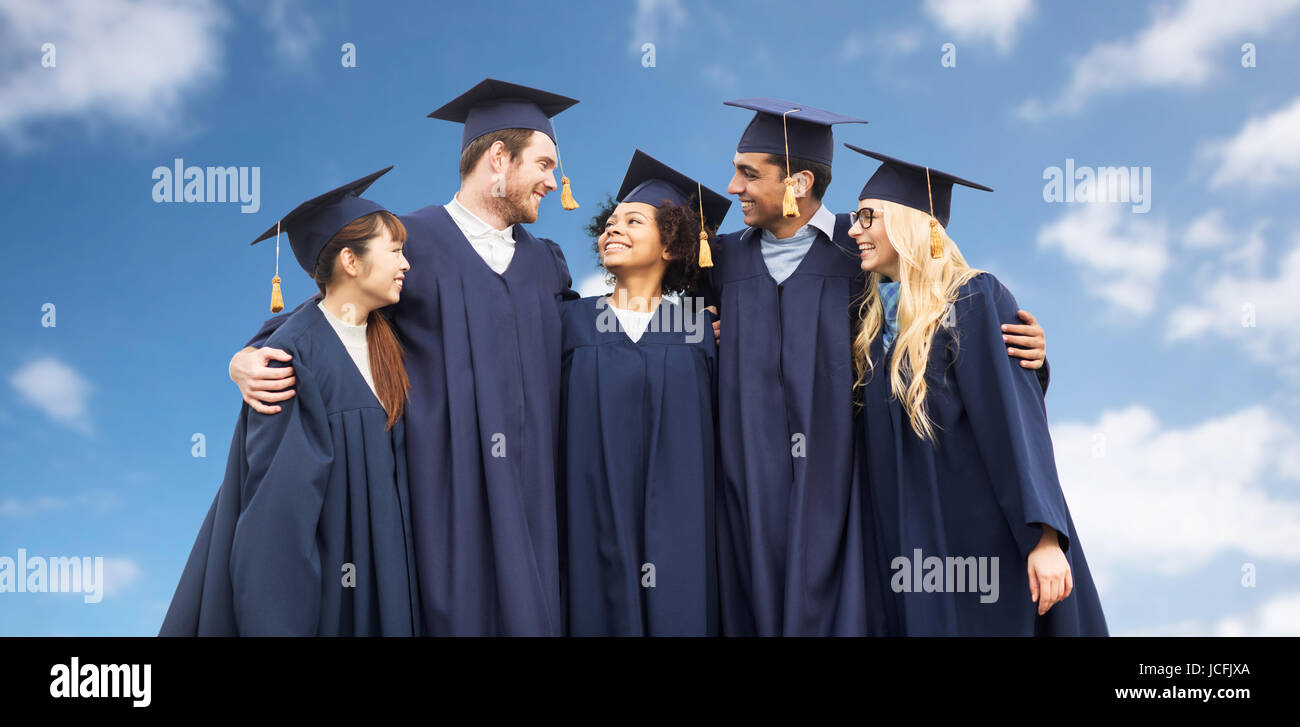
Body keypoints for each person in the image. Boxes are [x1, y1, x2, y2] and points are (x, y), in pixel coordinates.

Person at [225, 80, 581, 636]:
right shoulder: (409, 242)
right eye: (543, 163)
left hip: (535, 496)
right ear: (496, 158)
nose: (552, 181)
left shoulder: (547, 264)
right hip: (442, 496)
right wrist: (249, 353)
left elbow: (589, 340)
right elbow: (328, 306)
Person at [701, 98, 1051, 636]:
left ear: (797, 182)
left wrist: (1030, 354)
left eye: (748, 173)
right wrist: (699, 333)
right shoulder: (721, 259)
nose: (732, 187)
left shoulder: (858, 250)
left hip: (849, 496)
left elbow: (946, 314)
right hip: (756, 493)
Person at [845, 145, 1108, 636]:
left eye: (866, 217)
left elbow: (1014, 420)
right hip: (911, 551)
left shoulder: (973, 299)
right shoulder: (872, 322)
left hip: (982, 544)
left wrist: (1044, 537)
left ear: (911, 226)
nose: (852, 229)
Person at [160, 168, 421, 636]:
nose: (406, 264)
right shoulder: (289, 359)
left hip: (382, 583)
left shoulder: (384, 339)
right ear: (351, 261)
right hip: (327, 603)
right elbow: (275, 525)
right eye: (396, 251)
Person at [560, 150, 728, 636]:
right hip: (589, 521)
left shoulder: (698, 332)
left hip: (682, 525)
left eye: (633, 221)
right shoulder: (567, 320)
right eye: (610, 222)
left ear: (673, 244)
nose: (614, 229)